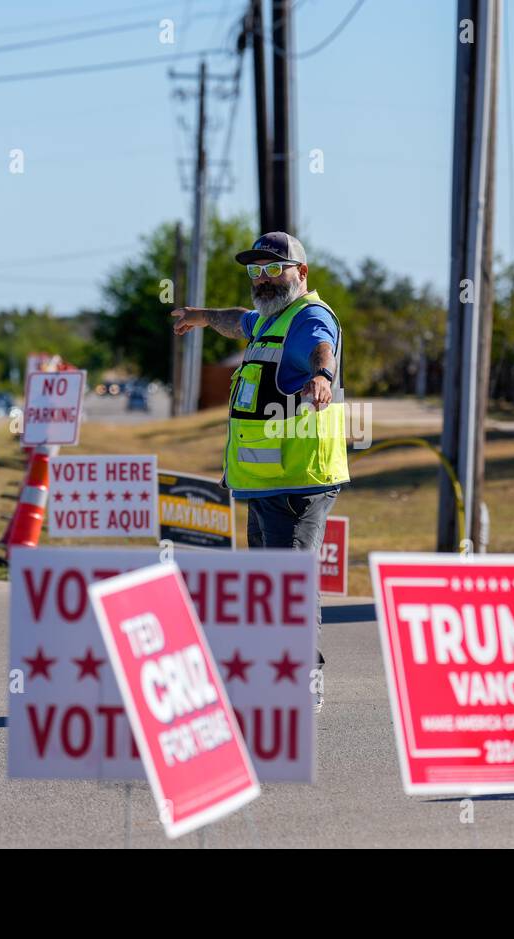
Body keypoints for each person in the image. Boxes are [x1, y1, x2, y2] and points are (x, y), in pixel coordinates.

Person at [170, 231, 348, 712]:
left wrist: (321, 377)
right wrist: (201, 317)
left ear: (301, 273)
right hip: (265, 480)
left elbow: (321, 348)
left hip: (299, 479)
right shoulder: (272, 321)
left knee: (289, 581)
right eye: (256, 271)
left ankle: (302, 684)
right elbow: (237, 322)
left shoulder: (309, 317)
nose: (264, 279)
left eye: (274, 269)